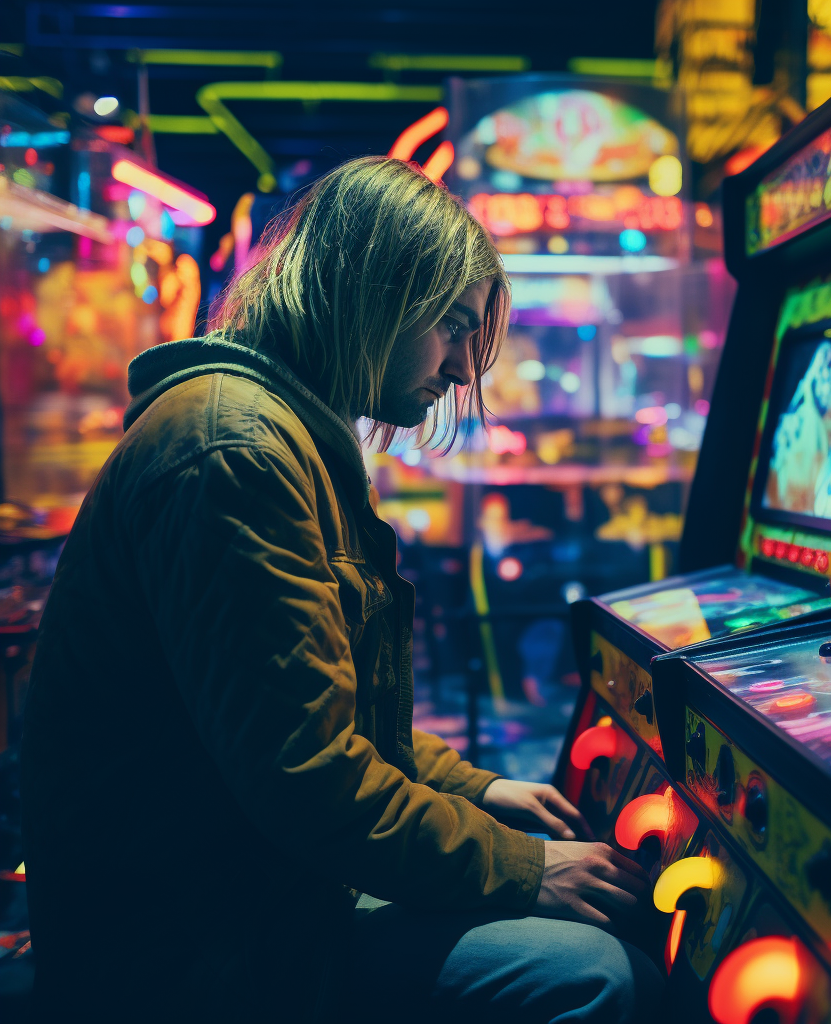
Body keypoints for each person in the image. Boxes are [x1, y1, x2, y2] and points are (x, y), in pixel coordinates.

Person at [20, 158, 663, 1023]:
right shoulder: (237, 454)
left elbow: (318, 710)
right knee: (596, 971)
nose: (465, 370)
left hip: (246, 897)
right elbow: (310, 776)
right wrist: (521, 866)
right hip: (197, 954)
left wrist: (473, 789)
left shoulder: (260, 429)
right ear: (371, 293)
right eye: (450, 326)